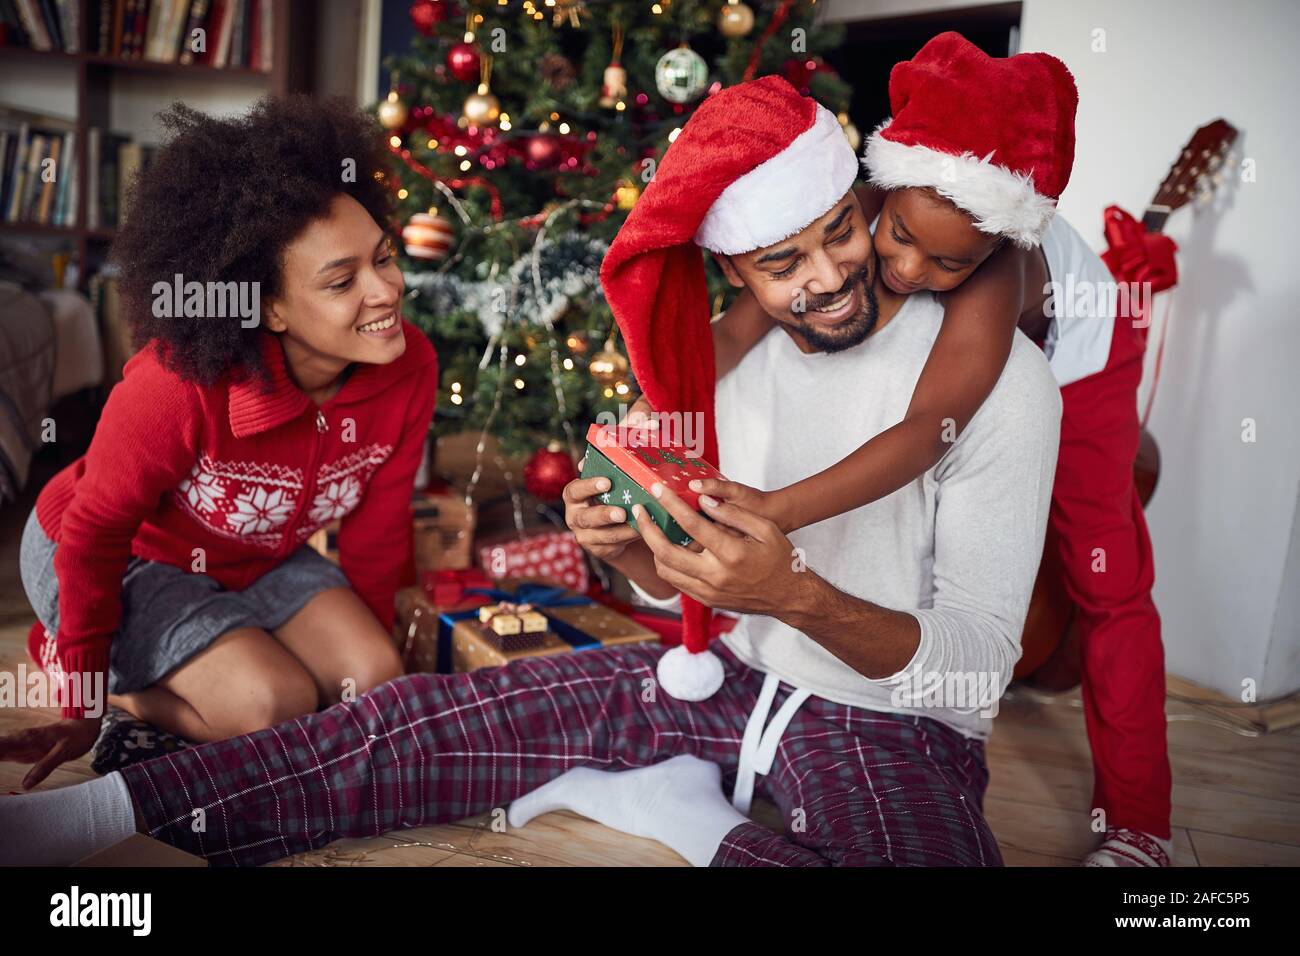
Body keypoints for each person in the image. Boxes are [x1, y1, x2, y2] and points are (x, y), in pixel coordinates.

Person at [0, 76, 1057, 869]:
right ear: (729, 266)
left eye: (843, 235)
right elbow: (673, 586)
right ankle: (75, 818)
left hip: (889, 720)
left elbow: (971, 668)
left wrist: (794, 594)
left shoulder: (999, 385)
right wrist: (640, 551)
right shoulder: (714, 358)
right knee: (396, 728)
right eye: (781, 264)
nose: (828, 278)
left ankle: (686, 819)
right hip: (713, 669)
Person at [640, 34, 1173, 867]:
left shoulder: (991, 264)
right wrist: (648, 418)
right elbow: (731, 333)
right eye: (894, 235)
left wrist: (777, 509)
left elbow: (932, 429)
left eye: (944, 261)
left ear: (990, 249)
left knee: (1108, 578)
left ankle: (1142, 826)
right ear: (876, 187)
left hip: (1086, 359)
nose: (908, 269)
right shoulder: (873, 221)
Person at [2, 96, 438, 790]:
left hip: (257, 556)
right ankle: (107, 678)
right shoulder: (177, 385)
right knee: (276, 703)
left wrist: (367, 647)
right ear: (268, 305)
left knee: (373, 681)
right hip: (122, 554)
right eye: (341, 280)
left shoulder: (409, 366)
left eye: (384, 258)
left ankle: (222, 650)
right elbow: (95, 533)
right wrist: (83, 706)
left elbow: (378, 528)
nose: (386, 290)